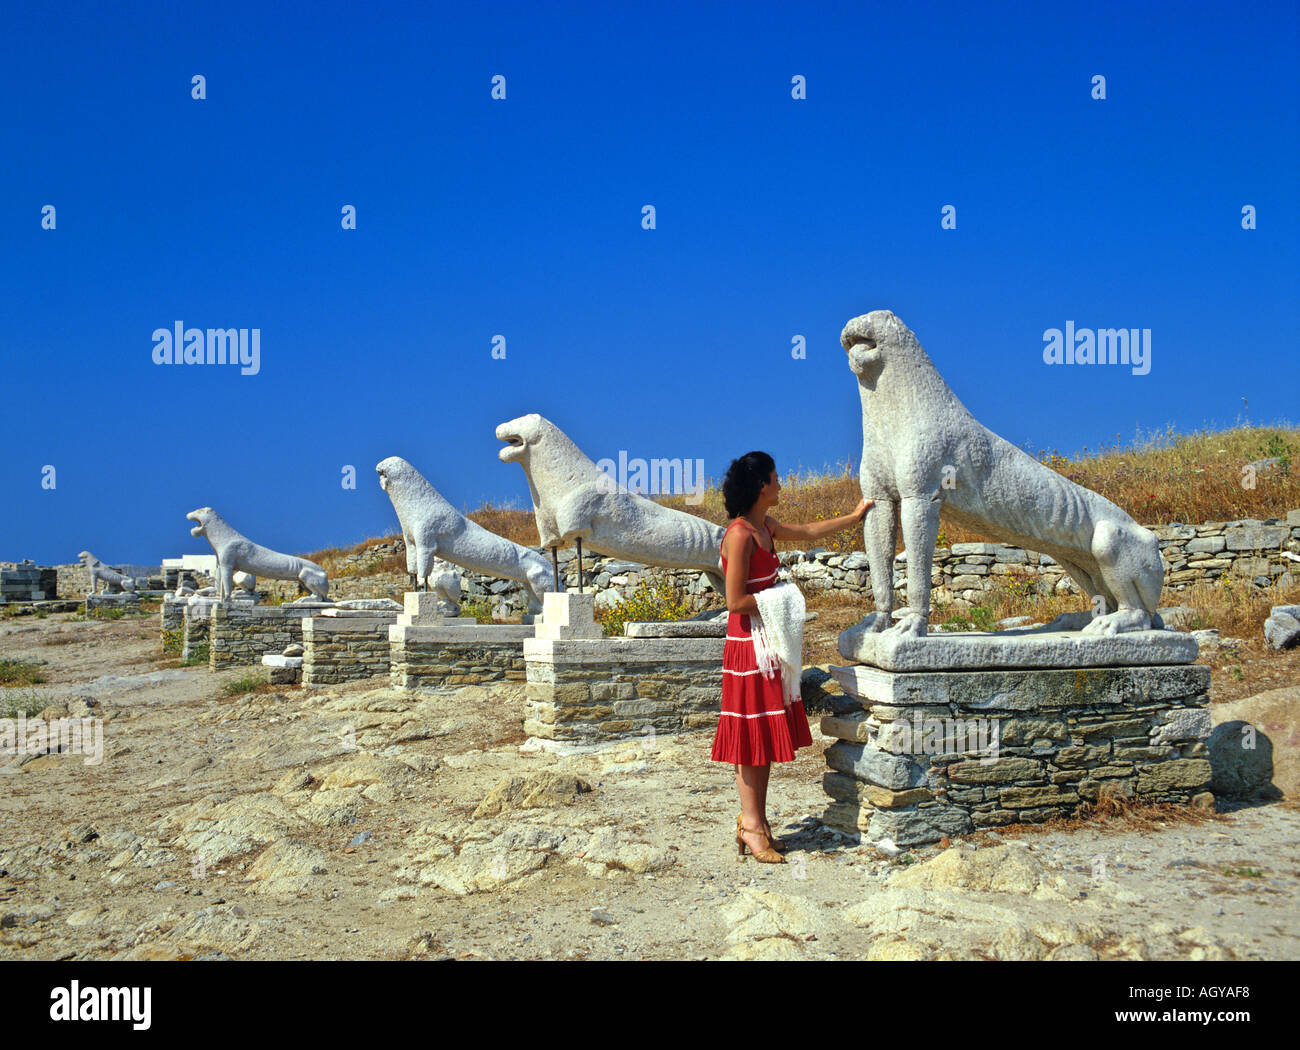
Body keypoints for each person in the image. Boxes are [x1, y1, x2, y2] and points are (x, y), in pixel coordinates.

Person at [712, 451, 871, 863]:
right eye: (776, 477)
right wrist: (782, 598)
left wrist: (854, 518)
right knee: (750, 740)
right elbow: (734, 600)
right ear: (761, 486)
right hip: (749, 649)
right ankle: (750, 826)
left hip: (768, 646)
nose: (781, 483)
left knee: (761, 737)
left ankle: (757, 824)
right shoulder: (740, 535)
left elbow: (809, 529)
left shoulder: (765, 526)